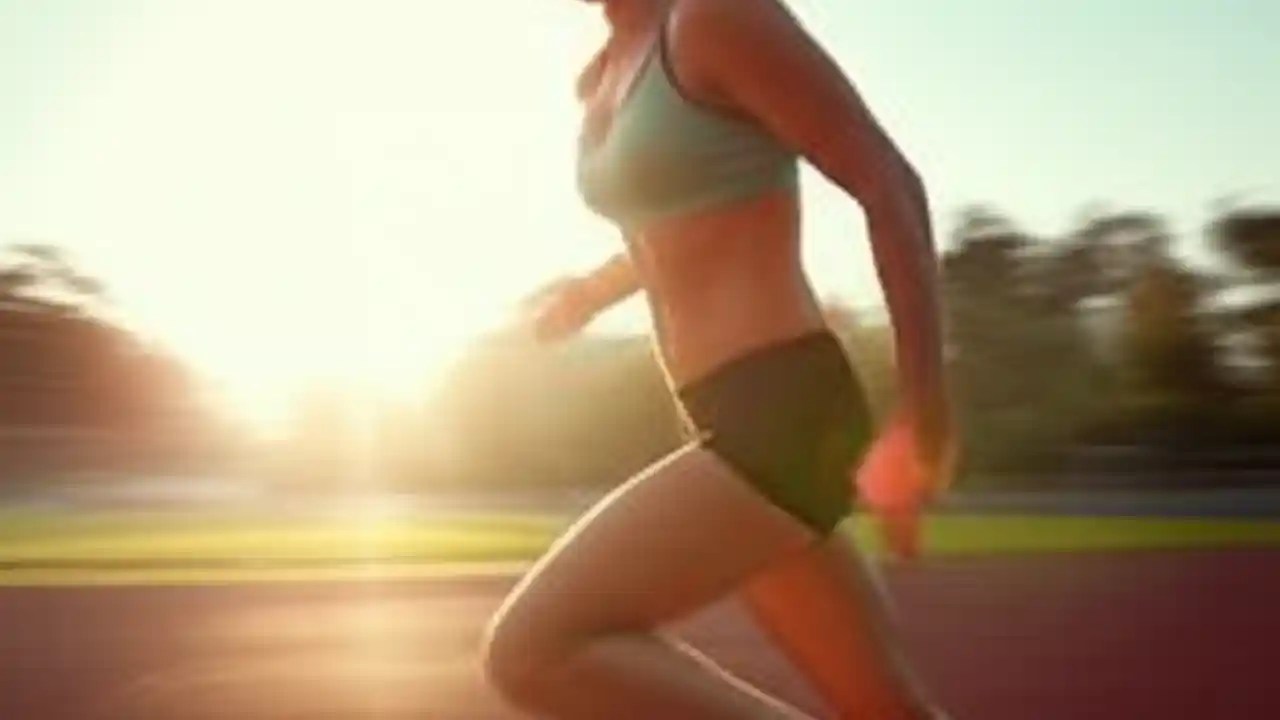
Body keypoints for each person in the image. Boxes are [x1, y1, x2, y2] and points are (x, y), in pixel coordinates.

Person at [482, 0, 956, 717]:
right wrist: (587, 294)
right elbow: (671, 215)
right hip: (721, 420)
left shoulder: (717, 20)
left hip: (781, 417)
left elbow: (890, 184)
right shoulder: (606, 71)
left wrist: (924, 412)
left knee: (534, 650)